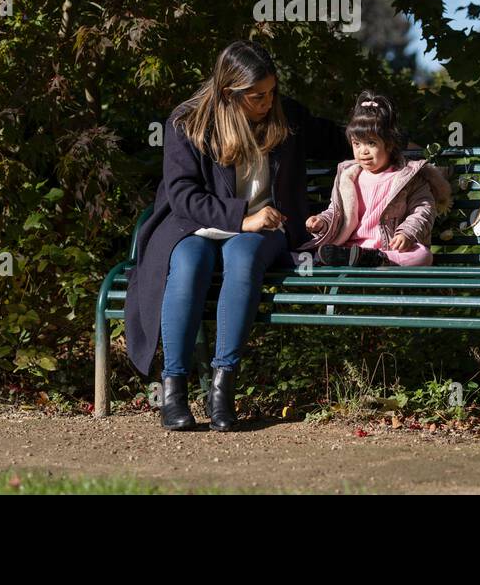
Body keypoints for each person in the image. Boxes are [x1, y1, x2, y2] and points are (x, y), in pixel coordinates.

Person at [123, 40, 350, 431]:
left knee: (243, 258)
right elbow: (182, 195)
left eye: (272, 91)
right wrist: (241, 218)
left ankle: (222, 390)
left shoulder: (287, 116)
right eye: (257, 96)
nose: (267, 101)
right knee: (189, 261)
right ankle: (174, 390)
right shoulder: (188, 123)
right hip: (195, 224)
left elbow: (338, 138)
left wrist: (392, 142)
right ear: (230, 93)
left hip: (267, 226)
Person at [303, 90, 450, 268]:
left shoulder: (407, 177)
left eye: (371, 143)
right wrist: (322, 222)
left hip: (389, 248)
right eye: (357, 144)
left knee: (422, 256)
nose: (363, 151)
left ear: (389, 144)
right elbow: (336, 211)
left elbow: (423, 210)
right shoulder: (349, 177)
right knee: (308, 254)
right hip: (351, 247)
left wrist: (408, 233)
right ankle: (350, 257)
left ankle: (377, 259)